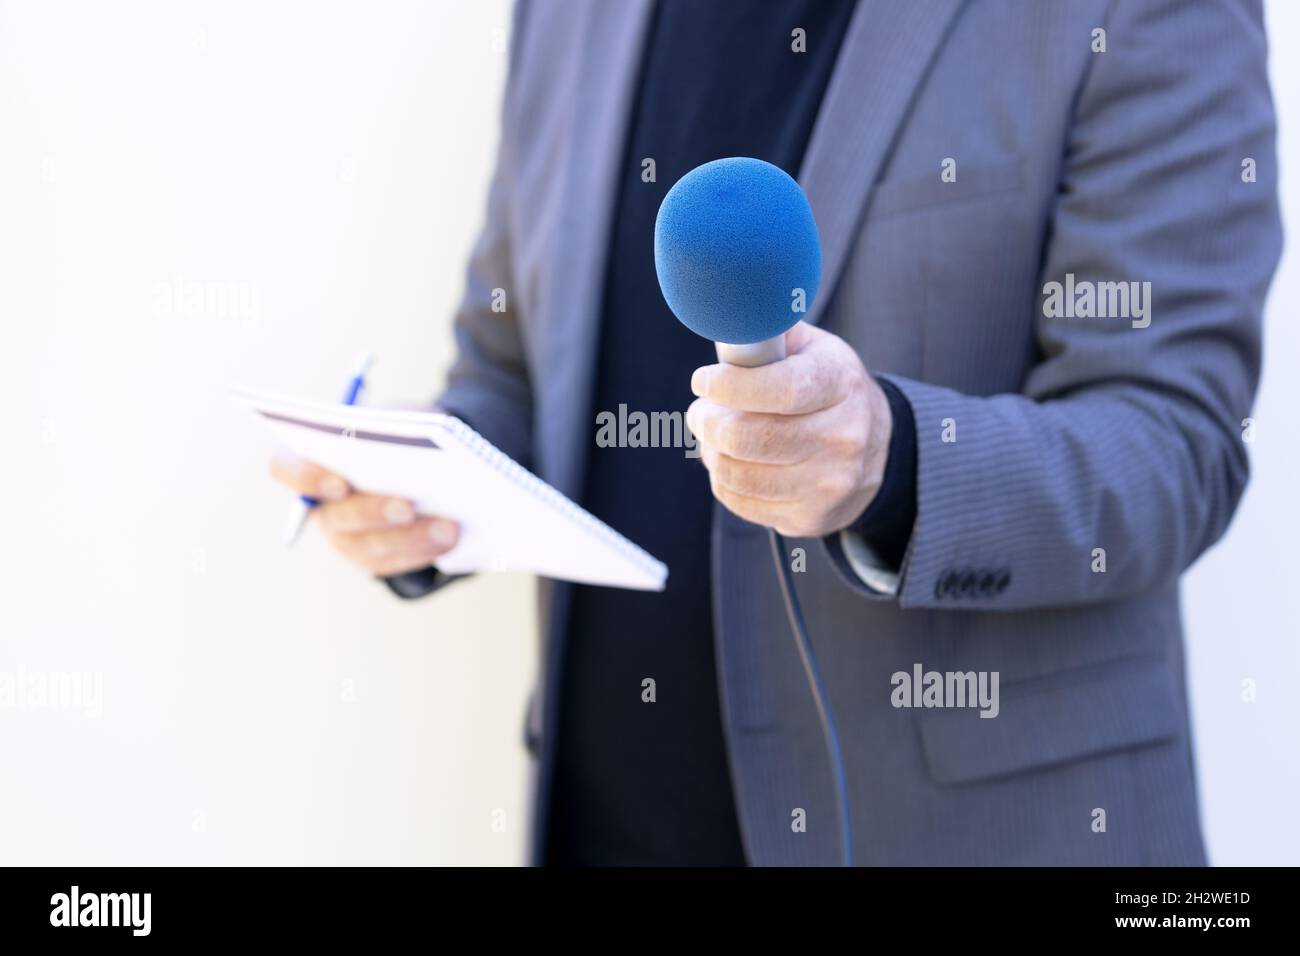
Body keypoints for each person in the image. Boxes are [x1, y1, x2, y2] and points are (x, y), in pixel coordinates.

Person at [270, 0, 1282, 866]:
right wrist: (416, 477)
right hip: (606, 820)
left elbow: (1175, 439)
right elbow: (509, 371)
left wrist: (891, 461)